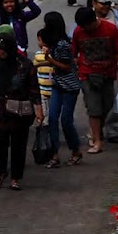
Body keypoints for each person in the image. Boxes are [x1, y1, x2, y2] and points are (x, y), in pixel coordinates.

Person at [0, 26, 43, 189]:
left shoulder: (25, 65)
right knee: (0, 143)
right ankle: (1, 172)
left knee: (19, 145)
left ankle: (16, 177)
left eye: (2, 49)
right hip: (0, 110)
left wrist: (38, 109)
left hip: (19, 111)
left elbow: (33, 89)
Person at [73, 0, 118, 155]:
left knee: (107, 105)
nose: (85, 29)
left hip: (108, 74)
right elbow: (74, 53)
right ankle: (97, 140)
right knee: (93, 108)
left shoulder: (110, 29)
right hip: (87, 75)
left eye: (87, 26)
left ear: (94, 21)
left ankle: (96, 130)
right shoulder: (78, 32)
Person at [38, 11, 82, 168]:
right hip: (57, 84)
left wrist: (49, 59)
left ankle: (75, 150)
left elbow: (66, 67)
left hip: (69, 86)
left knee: (66, 120)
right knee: (52, 118)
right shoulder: (54, 43)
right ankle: (54, 154)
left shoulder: (63, 45)